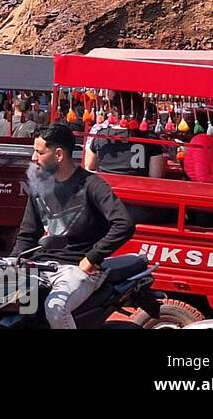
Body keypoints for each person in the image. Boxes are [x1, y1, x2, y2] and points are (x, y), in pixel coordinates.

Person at [13, 124, 135, 329]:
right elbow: (27, 234)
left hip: (76, 269)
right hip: (41, 266)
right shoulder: (39, 185)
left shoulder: (92, 185)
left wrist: (92, 258)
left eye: (39, 152)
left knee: (55, 308)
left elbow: (124, 224)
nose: (34, 158)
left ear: (58, 155)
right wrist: (9, 262)